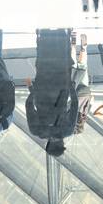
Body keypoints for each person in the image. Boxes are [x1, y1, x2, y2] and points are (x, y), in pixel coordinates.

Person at [26, 28, 78, 156]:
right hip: (42, 85)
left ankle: (61, 32)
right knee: (45, 56)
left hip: (61, 85)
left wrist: (70, 86)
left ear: (61, 145)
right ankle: (44, 33)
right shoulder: (37, 131)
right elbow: (29, 106)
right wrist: (33, 90)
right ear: (48, 145)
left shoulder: (68, 131)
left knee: (61, 57)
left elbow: (75, 105)